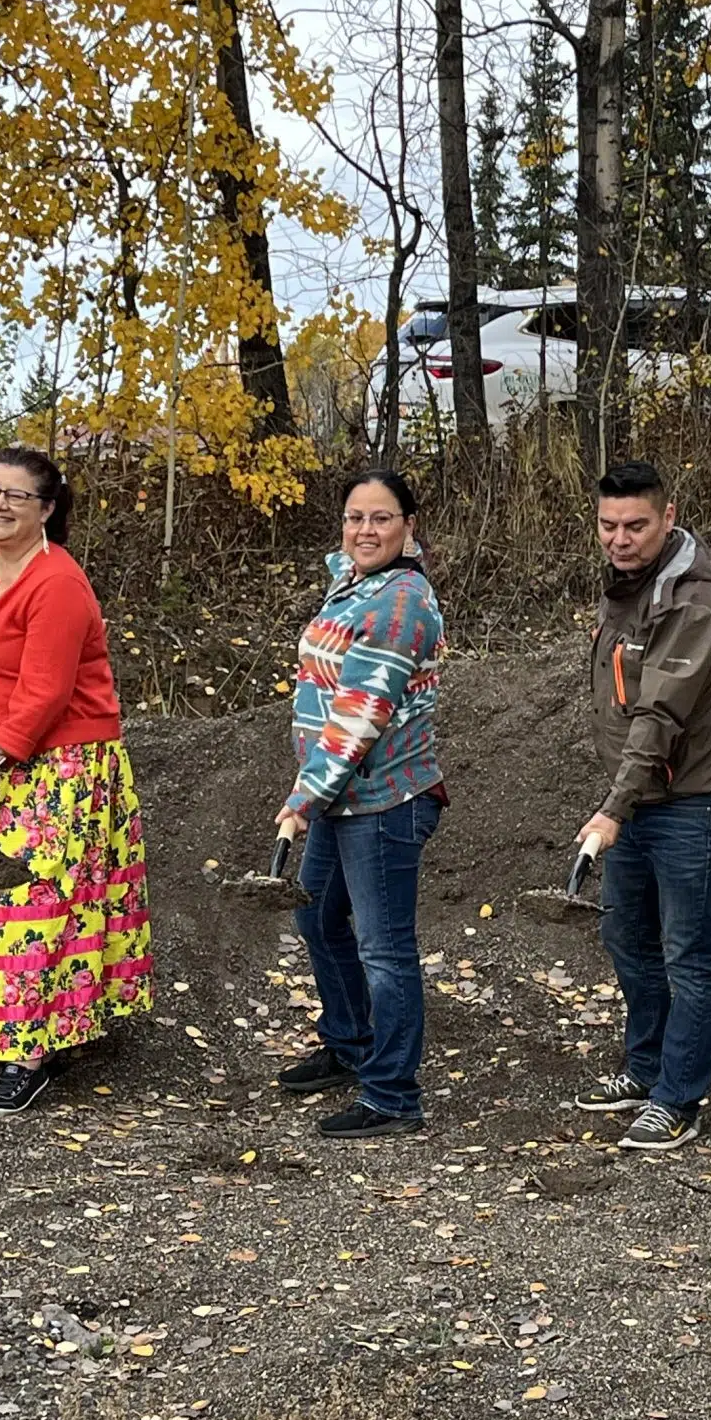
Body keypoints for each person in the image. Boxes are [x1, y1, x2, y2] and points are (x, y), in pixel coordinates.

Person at [0, 448, 151, 1116]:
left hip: (61, 766)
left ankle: (32, 1056)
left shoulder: (58, 583)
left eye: (16, 496)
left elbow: (46, 690)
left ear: (48, 510)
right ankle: (12, 1034)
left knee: (37, 905)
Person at [574, 460, 711, 1154]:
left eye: (636, 525)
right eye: (608, 525)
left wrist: (613, 806)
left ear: (668, 517)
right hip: (640, 797)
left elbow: (659, 713)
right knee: (628, 939)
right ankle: (646, 1070)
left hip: (690, 802)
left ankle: (680, 1095)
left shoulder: (692, 597)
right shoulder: (627, 584)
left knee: (687, 951)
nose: (620, 539)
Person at [274, 471, 449, 1140]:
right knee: (317, 917)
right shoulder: (354, 581)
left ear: (408, 525)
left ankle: (392, 1093)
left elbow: (360, 714)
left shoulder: (401, 602)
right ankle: (350, 1043)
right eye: (355, 517)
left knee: (385, 949)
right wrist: (318, 791)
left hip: (384, 799)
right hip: (344, 795)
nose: (365, 530)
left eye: (381, 518)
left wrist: (302, 798)